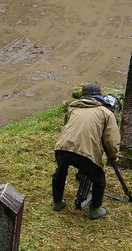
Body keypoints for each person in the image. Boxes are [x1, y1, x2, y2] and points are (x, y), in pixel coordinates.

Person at [51, 82, 120, 220]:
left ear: (83, 96)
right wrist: (113, 156)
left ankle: (57, 203)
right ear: (99, 97)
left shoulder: (73, 108)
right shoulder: (106, 113)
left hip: (62, 148)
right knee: (99, 179)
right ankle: (95, 209)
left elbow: (68, 126)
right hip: (84, 153)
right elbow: (110, 140)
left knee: (60, 173)